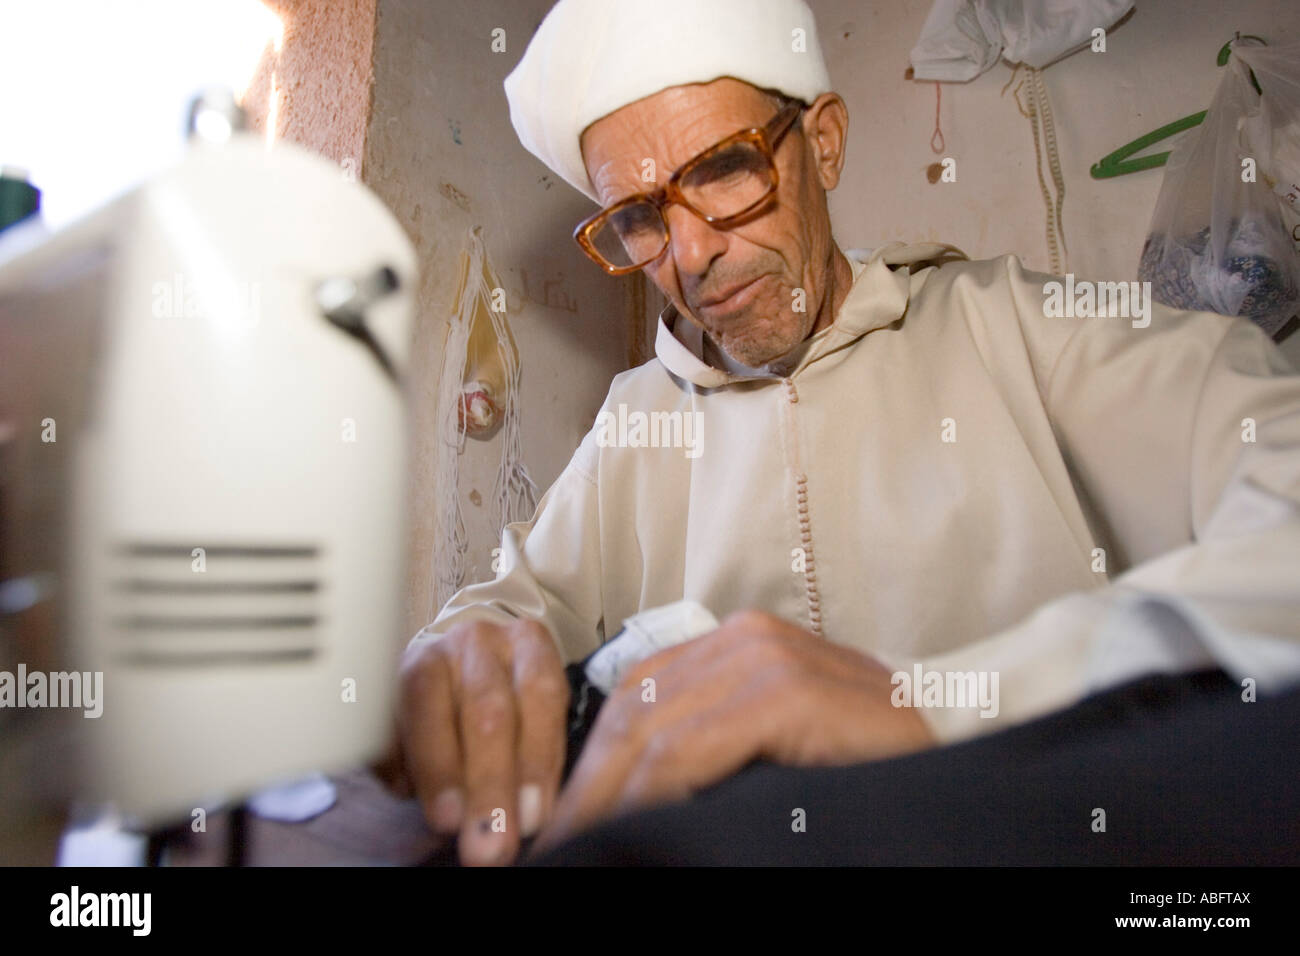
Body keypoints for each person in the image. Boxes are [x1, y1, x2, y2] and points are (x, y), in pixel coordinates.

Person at [385, 0, 1300, 866]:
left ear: (822, 143)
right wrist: (456, 661)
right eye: (640, 218)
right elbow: (509, 610)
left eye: (722, 170)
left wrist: (938, 706)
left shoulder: (1019, 328)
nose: (692, 253)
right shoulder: (639, 423)